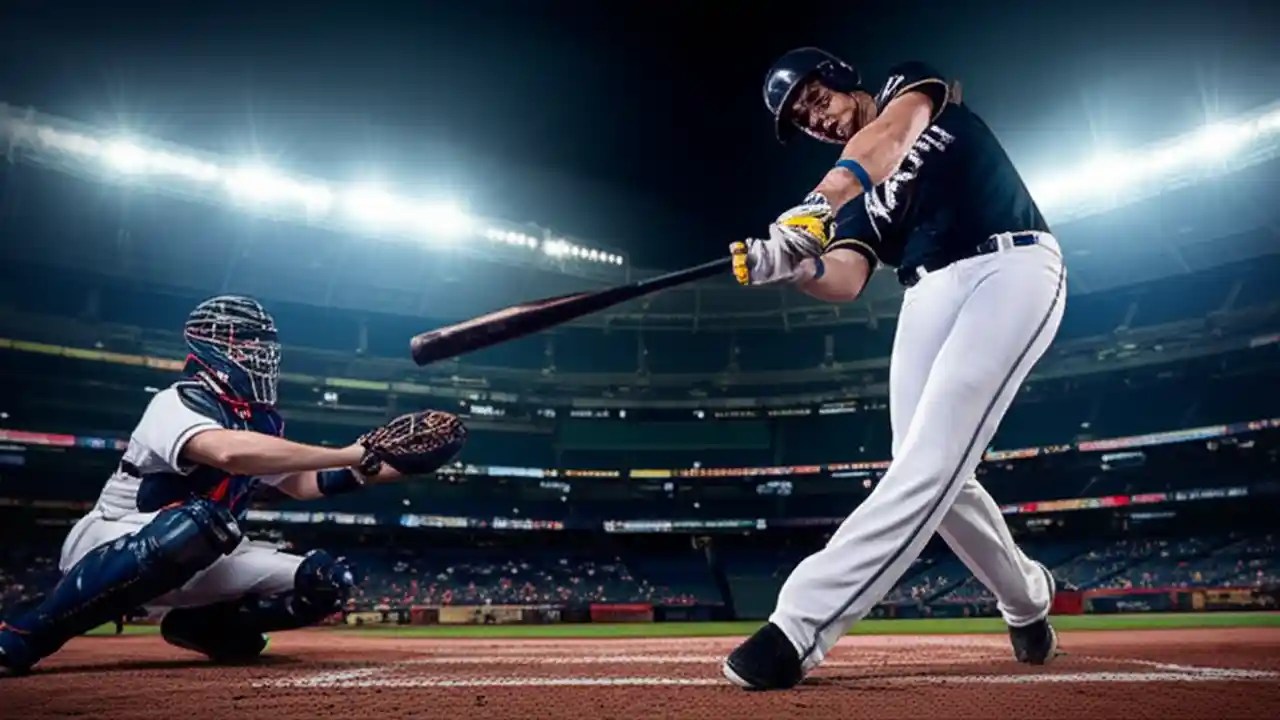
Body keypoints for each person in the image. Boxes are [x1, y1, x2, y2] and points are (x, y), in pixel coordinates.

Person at [723, 48, 1066, 690]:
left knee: (929, 463)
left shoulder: (907, 88)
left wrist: (817, 202)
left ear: (845, 78)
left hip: (1010, 265)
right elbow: (847, 276)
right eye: (802, 119)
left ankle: (799, 624)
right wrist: (791, 267)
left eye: (817, 99)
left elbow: (892, 134)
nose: (816, 119)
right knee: (930, 467)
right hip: (926, 289)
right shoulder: (857, 200)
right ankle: (1028, 598)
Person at [0, 295, 466, 676]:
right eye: (246, 345)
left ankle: (201, 628)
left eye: (262, 347)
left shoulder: (258, 421)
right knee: (203, 523)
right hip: (113, 539)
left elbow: (306, 483)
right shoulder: (177, 401)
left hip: (205, 552)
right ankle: (25, 633)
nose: (259, 356)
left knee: (326, 581)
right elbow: (227, 453)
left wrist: (401, 466)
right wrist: (352, 450)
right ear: (211, 346)